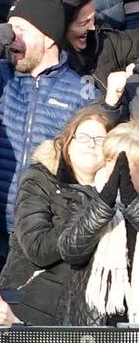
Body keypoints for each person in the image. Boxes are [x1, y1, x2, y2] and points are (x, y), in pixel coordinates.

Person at [0, 0, 105, 266]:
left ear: (49, 38)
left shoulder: (82, 94)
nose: (9, 37)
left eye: (20, 30)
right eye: (7, 29)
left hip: (41, 235)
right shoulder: (1, 76)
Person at [1, 106, 116, 324]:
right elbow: (38, 248)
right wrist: (93, 207)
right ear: (67, 144)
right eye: (83, 136)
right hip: (27, 307)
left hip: (85, 315)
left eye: (100, 139)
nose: (91, 144)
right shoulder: (39, 179)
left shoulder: (115, 195)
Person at [56, 124, 139, 325]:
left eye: (126, 164)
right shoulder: (87, 197)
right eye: (110, 160)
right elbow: (70, 250)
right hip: (93, 321)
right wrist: (104, 203)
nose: (115, 169)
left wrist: (132, 203)